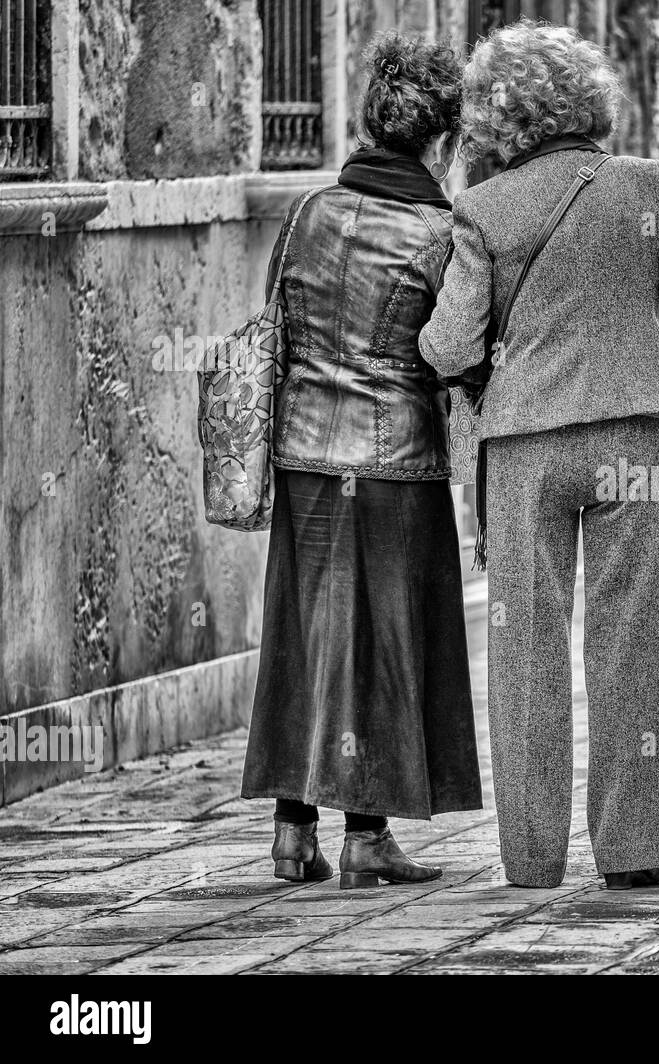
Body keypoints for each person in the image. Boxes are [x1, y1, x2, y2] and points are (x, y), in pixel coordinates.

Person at [420, 20, 659, 891]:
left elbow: (450, 347)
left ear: (496, 117)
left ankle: (532, 858)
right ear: (589, 100)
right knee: (634, 638)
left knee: (525, 647)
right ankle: (635, 850)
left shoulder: (483, 211)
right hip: (636, 434)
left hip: (526, 446)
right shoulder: (644, 184)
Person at [241, 31, 482, 890]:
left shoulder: (307, 213)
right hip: (393, 464)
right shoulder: (439, 233)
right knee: (382, 648)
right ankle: (369, 836)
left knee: (306, 639)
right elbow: (453, 355)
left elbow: (282, 326)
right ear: (442, 140)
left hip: (304, 455)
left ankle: (291, 830)